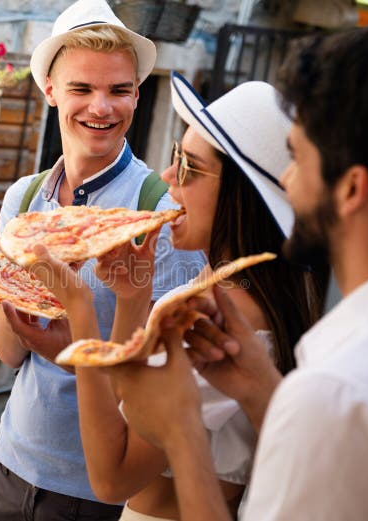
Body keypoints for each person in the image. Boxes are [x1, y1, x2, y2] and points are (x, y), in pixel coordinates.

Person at [107, 23, 368, 521]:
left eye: (298, 157)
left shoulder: (337, 391)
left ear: (351, 189)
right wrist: (262, 391)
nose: (286, 180)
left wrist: (181, 431)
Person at [24, 72, 328, 521]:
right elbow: (126, 396)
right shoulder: (224, 285)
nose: (168, 177)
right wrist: (133, 297)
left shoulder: (219, 316)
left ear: (239, 195)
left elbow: (111, 477)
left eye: (188, 167)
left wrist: (80, 307)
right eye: (174, 157)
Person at [0, 1, 205, 520]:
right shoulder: (23, 198)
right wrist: (25, 291)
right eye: (81, 88)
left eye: (118, 90)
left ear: (138, 95)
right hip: (10, 463)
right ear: (50, 90)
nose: (101, 108)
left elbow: (160, 380)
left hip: (98, 489)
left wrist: (73, 342)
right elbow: (8, 352)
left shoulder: (159, 213)